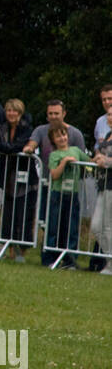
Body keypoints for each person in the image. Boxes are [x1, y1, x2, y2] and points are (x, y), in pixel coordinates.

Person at [0, 97, 36, 259]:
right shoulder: (1, 127)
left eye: (15, 111)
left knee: (24, 216)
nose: (11, 113)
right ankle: (10, 251)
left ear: (20, 113)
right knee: (8, 216)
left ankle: (22, 252)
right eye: (8, 110)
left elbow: (17, 147)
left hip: (26, 179)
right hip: (8, 178)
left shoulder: (27, 129)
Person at [23, 100, 86, 229]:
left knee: (66, 223)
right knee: (45, 221)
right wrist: (29, 148)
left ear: (64, 114)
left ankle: (62, 247)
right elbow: (32, 143)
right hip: (47, 183)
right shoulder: (40, 130)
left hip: (68, 187)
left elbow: (83, 159)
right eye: (50, 113)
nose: (53, 116)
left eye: (56, 113)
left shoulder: (75, 133)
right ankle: (48, 248)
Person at [46, 121, 90, 268]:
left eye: (63, 135)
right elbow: (54, 175)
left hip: (73, 194)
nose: (62, 138)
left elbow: (89, 162)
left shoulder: (76, 150)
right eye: (57, 136)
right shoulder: (54, 155)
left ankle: (70, 259)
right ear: (53, 140)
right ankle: (50, 257)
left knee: (71, 227)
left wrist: (98, 159)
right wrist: (64, 162)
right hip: (58, 194)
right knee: (54, 226)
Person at [89, 110, 112, 274]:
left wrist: (107, 161)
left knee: (108, 226)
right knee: (97, 226)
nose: (109, 117)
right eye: (108, 114)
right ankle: (110, 259)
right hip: (103, 184)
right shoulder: (109, 134)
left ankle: (110, 264)